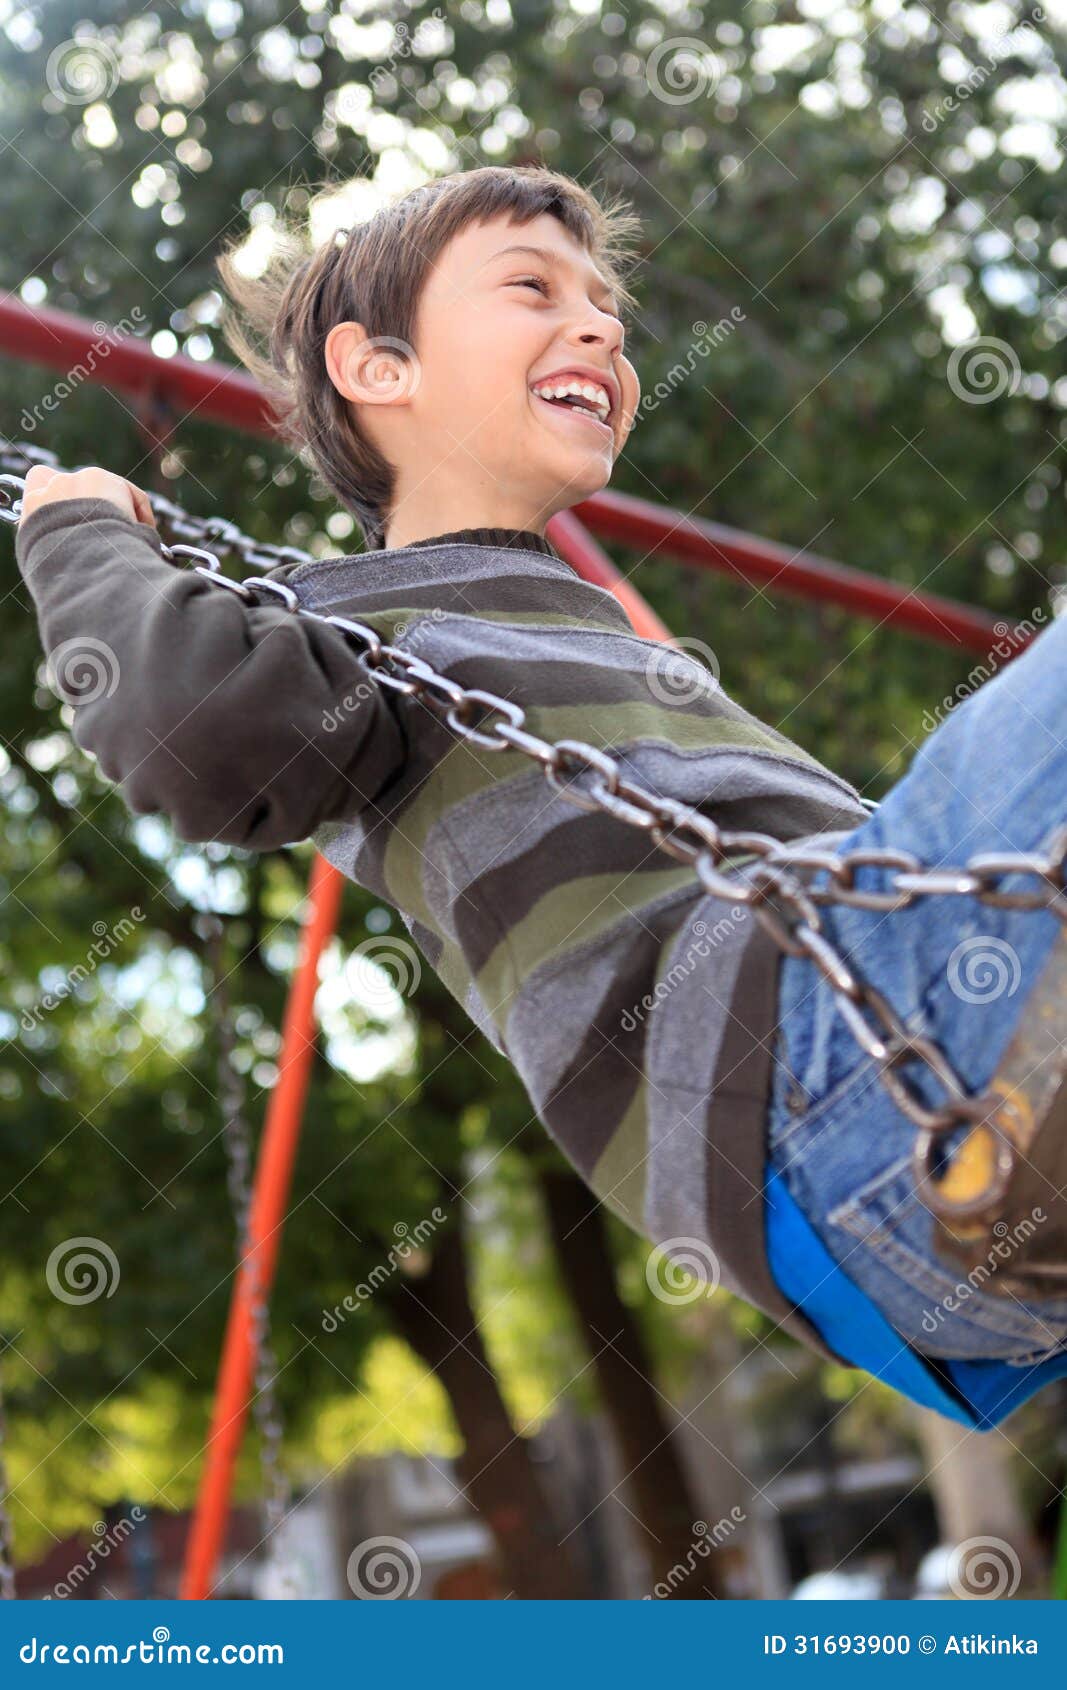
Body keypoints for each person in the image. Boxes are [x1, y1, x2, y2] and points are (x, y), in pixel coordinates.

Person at [14, 163, 1067, 1433]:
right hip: (836, 1091)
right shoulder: (351, 638)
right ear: (376, 368)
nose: (602, 324)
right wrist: (77, 530)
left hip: (929, 1186)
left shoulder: (614, 649)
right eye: (531, 288)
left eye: (604, 301)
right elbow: (191, 738)